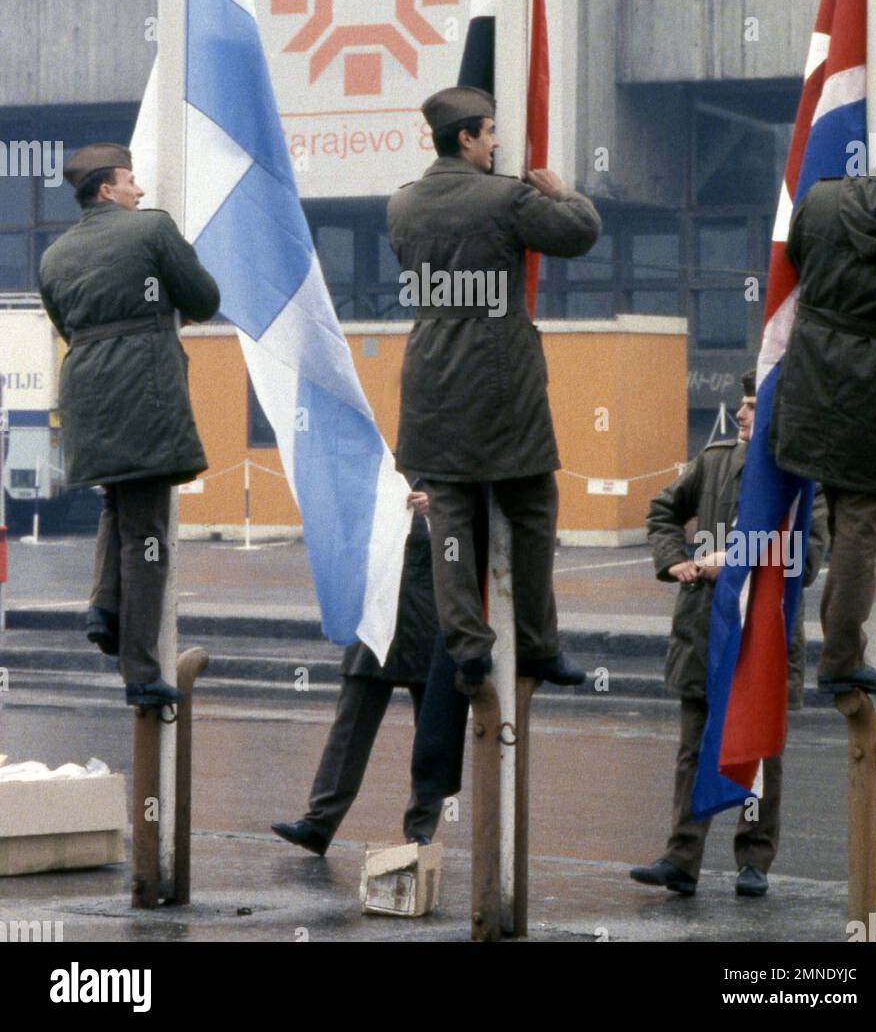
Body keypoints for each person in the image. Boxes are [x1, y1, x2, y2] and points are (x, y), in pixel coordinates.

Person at [387, 85, 601, 693]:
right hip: (499, 370)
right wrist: (563, 193)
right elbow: (578, 235)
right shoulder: (505, 199)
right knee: (532, 505)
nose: (497, 143)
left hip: (430, 370)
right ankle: (538, 643)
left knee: (450, 516)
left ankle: (467, 644)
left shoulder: (400, 205)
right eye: (490, 133)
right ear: (467, 138)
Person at [631, 371, 829, 898]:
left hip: (765, 635)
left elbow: (804, 561)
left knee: (761, 747)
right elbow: (662, 511)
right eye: (740, 405)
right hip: (706, 630)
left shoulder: (802, 479)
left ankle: (754, 860)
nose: (740, 415)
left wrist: (734, 562)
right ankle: (681, 858)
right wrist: (675, 561)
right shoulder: (714, 462)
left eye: (749, 406)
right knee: (693, 750)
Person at [38, 144, 220, 710]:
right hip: (142, 390)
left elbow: (66, 320)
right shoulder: (149, 231)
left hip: (86, 389)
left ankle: (104, 608)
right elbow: (205, 299)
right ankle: (141, 672)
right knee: (147, 534)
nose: (140, 191)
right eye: (131, 181)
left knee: (118, 504)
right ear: (107, 191)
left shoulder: (54, 255)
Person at [770, 114, 876, 696]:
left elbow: (797, 263)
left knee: (791, 512)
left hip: (809, 383)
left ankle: (767, 649)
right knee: (862, 525)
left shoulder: (822, 200)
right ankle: (841, 655)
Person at [271, 487, 448, 854]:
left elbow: (476, 530)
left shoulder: (452, 478)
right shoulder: (384, 476)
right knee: (348, 731)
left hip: (432, 625)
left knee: (433, 738)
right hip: (374, 621)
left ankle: (420, 832)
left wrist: (439, 508)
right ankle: (318, 824)